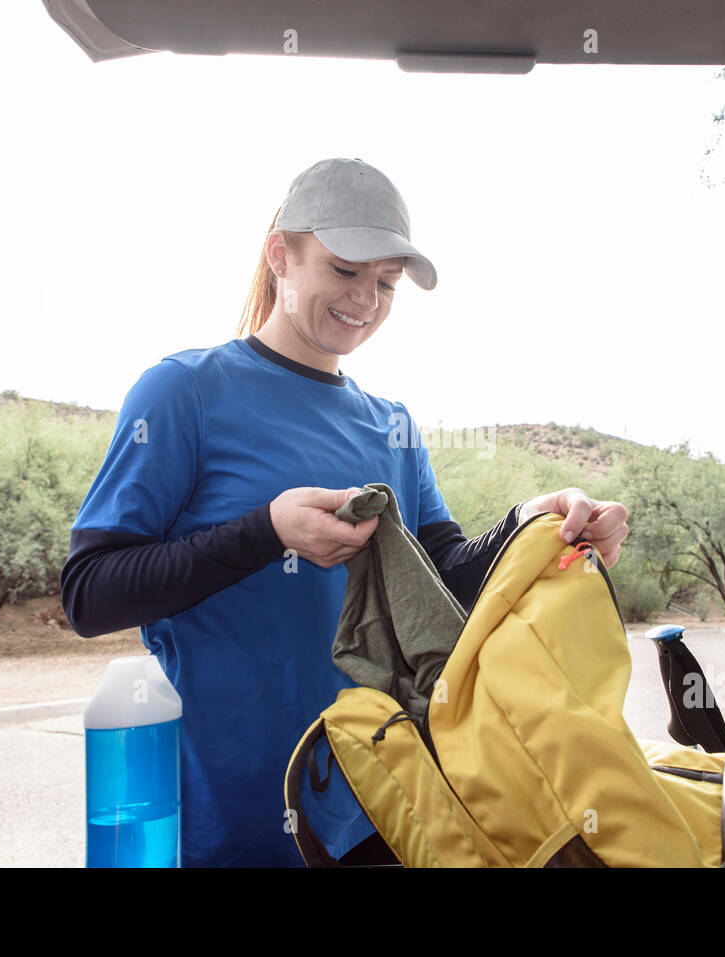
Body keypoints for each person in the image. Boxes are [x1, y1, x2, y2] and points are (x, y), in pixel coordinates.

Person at [60, 157, 629, 867]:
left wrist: (535, 523)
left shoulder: (389, 424)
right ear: (281, 255)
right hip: (227, 826)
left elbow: (444, 577)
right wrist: (266, 531)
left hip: (380, 816)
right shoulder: (184, 392)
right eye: (345, 270)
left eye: (386, 283)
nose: (366, 299)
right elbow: (89, 592)